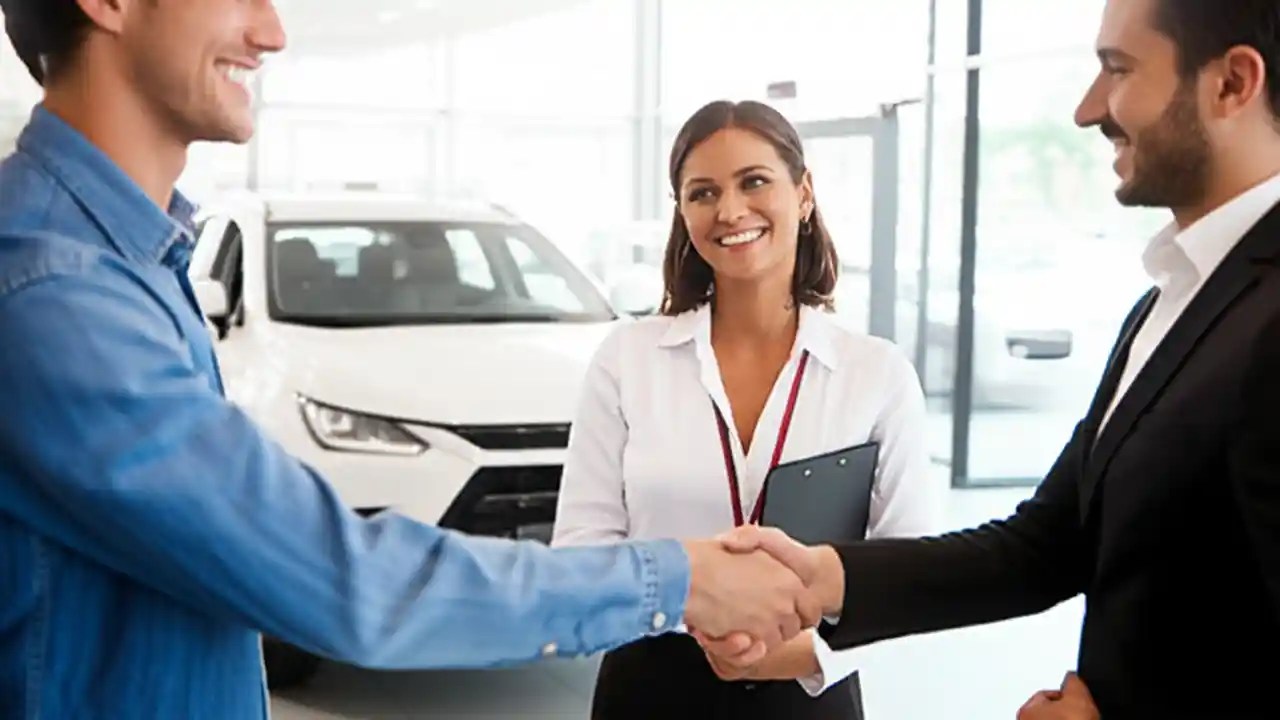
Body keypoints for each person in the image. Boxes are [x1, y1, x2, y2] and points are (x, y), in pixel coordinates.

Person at [0, 1, 830, 716]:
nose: (272, 32)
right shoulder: (56, 296)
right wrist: (679, 579)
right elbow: (345, 579)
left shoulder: (132, 264)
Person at [700, 0, 1280, 716]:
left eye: (1117, 69)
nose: (1087, 108)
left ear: (1232, 84)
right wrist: (827, 576)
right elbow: (1047, 545)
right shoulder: (1173, 298)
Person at [551, 99, 942, 719]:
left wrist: (798, 654)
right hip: (651, 685)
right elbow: (579, 549)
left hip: (810, 689)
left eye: (754, 181)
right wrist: (686, 600)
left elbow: (916, 573)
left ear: (804, 193)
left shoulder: (876, 374)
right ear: (682, 213)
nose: (730, 211)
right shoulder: (629, 359)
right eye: (702, 192)